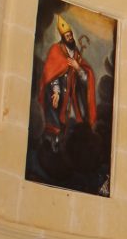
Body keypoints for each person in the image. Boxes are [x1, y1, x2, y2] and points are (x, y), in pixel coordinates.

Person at [38, 14, 96, 146]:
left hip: (73, 100)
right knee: (56, 124)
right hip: (58, 96)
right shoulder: (56, 50)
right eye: (67, 36)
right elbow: (51, 74)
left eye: (70, 35)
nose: (70, 37)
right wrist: (56, 91)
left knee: (73, 127)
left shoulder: (77, 55)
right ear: (63, 37)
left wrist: (78, 68)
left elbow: (86, 78)